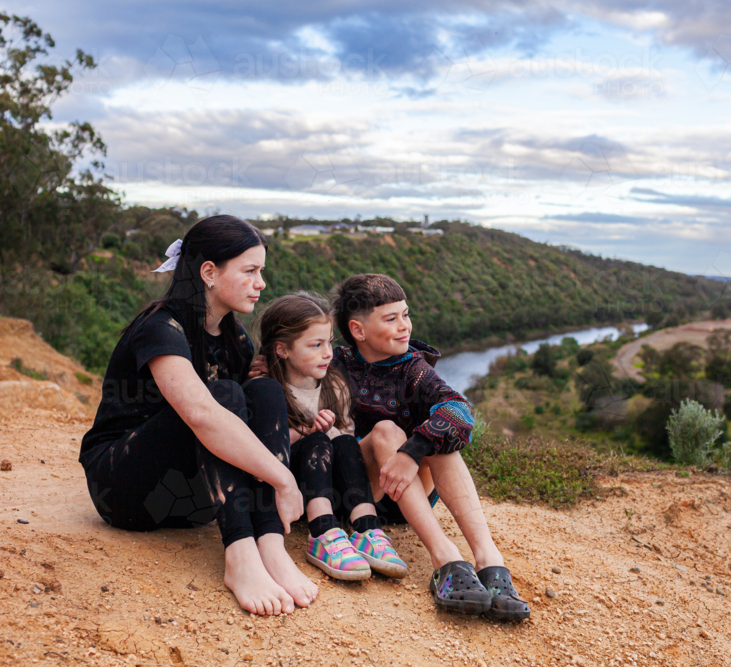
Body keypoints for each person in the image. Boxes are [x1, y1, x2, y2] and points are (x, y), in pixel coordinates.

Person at [78, 215, 317, 617]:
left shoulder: (236, 339)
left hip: (191, 499)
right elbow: (202, 416)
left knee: (264, 390)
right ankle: (240, 557)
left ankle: (270, 547)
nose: (261, 283)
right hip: (125, 490)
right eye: (250, 271)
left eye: (262, 271)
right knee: (219, 395)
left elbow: (247, 426)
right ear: (209, 272)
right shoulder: (160, 327)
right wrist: (283, 477)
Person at [330, 273, 530, 621]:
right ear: (358, 331)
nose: (404, 326)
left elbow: (460, 411)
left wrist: (414, 450)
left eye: (405, 314)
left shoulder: (414, 369)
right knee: (386, 430)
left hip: (406, 497)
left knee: (442, 435)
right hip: (353, 492)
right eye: (391, 319)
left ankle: (489, 560)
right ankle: (445, 558)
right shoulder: (334, 362)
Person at [256, 293, 407, 581]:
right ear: (282, 350)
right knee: (317, 441)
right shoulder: (267, 388)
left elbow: (345, 444)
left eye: (328, 342)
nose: (328, 353)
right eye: (315, 345)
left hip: (335, 491)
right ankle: (322, 534)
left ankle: (366, 528)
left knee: (346, 441)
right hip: (292, 496)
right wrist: (308, 430)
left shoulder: (333, 384)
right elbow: (260, 450)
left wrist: (328, 430)